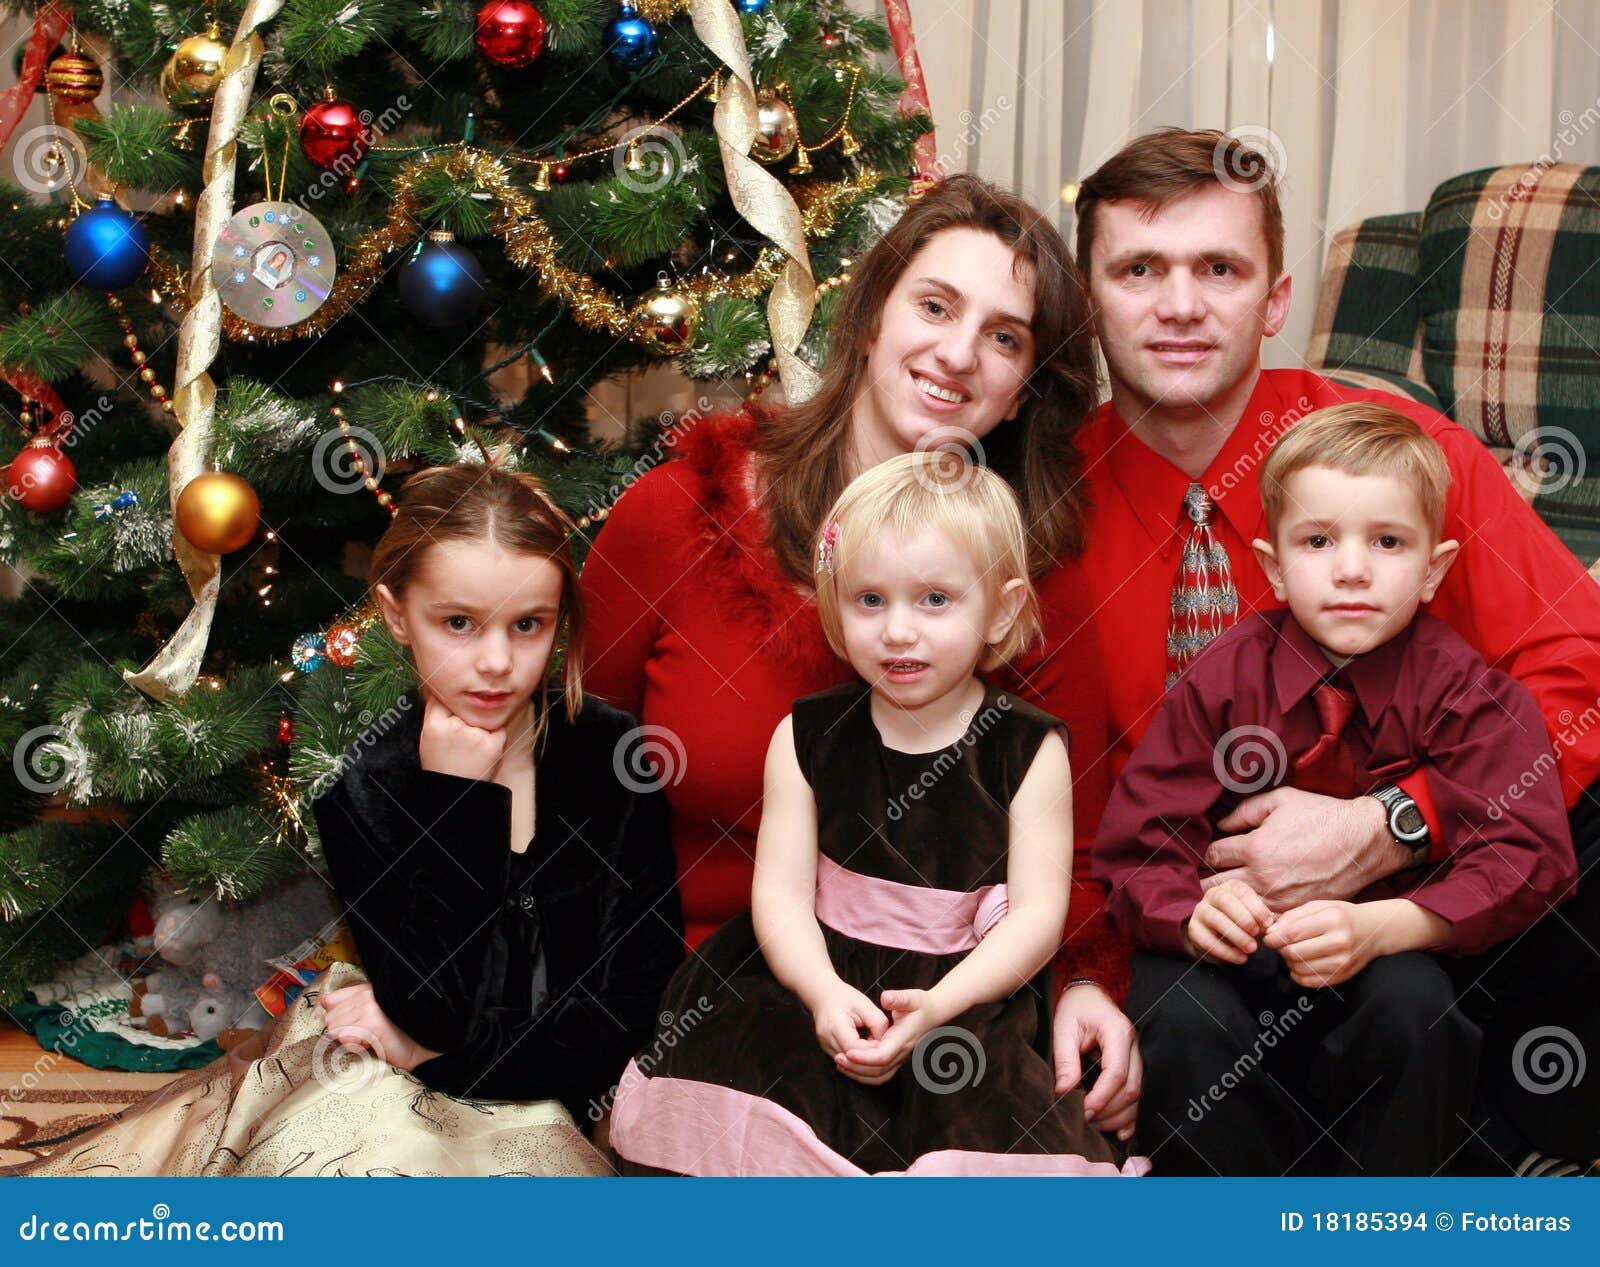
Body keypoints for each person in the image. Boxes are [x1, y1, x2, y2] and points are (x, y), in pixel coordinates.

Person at [1062, 125, 1600, 1166]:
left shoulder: (1403, 464)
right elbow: (1047, 802)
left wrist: (1399, 820)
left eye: (1218, 268)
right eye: (1139, 269)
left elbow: (1578, 680)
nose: (1180, 306)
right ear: (1090, 299)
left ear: (1274, 299)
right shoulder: (1041, 515)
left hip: (1428, 934)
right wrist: (1086, 982)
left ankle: (1490, 1164)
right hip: (1183, 943)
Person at [582, 174, 1141, 1141]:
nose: (959, 354)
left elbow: (1075, 846)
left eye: (1006, 337)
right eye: (935, 305)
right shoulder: (677, 516)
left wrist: (1088, 984)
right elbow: (567, 772)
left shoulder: (1032, 578)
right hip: (698, 1003)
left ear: (1021, 392)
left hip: (953, 1023)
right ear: (870, 317)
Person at [22, 465, 683, 1177]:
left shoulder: (611, 757)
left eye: (529, 625)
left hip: (554, 1095)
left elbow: (635, 1007)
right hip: (403, 1087)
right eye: (458, 622)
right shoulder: (363, 792)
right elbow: (433, 1007)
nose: (497, 663)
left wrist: (446, 1056)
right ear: (396, 614)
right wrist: (459, 802)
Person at [607, 453, 1148, 1176]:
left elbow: (1037, 917)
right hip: (815, 975)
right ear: (834, 605)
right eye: (869, 600)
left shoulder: (1027, 748)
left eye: (934, 600)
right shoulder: (807, 736)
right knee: (759, 1067)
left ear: (1003, 608)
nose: (897, 631)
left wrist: (939, 1005)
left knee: (978, 1111)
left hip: (968, 992)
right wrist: (823, 992)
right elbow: (780, 895)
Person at [1093, 405, 1577, 1174]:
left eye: (1387, 541)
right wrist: (1191, 912)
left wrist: (1391, 925)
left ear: (1434, 569)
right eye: (1319, 541)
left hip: (1388, 950)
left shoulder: (1469, 693)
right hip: (1232, 952)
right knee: (1176, 1012)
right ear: (1275, 565)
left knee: (1417, 1007)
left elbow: (1531, 851)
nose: (1352, 569)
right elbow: (1139, 839)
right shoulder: (1223, 677)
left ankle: (1382, 1224)